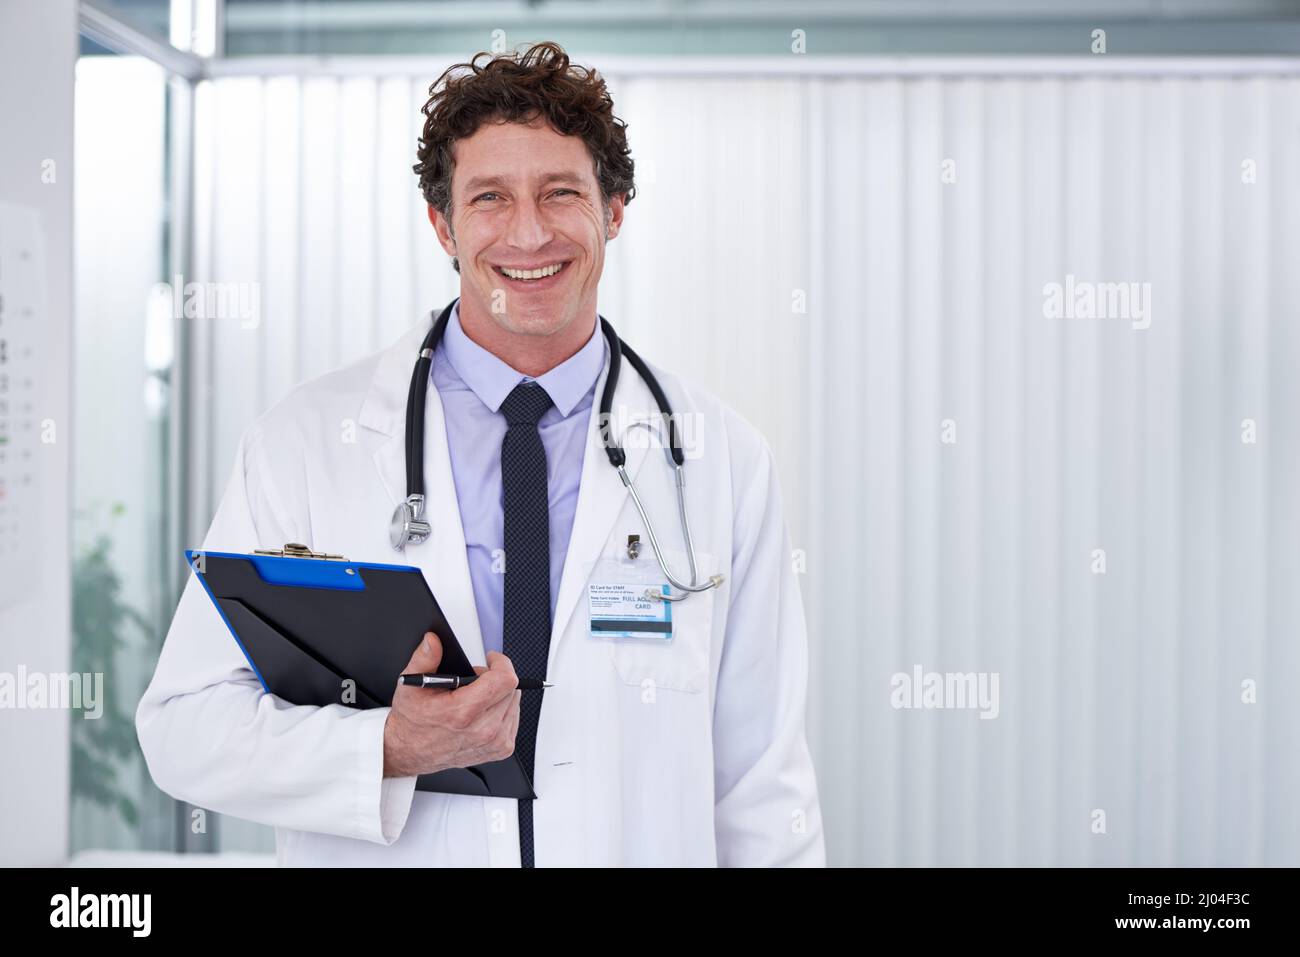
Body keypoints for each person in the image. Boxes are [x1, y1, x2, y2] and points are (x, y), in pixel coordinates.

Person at [136, 40, 825, 867]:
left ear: (613, 211)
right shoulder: (307, 443)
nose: (528, 233)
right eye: (490, 196)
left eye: (561, 192)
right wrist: (385, 748)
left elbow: (762, 789)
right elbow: (184, 727)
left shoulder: (720, 460)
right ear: (443, 224)